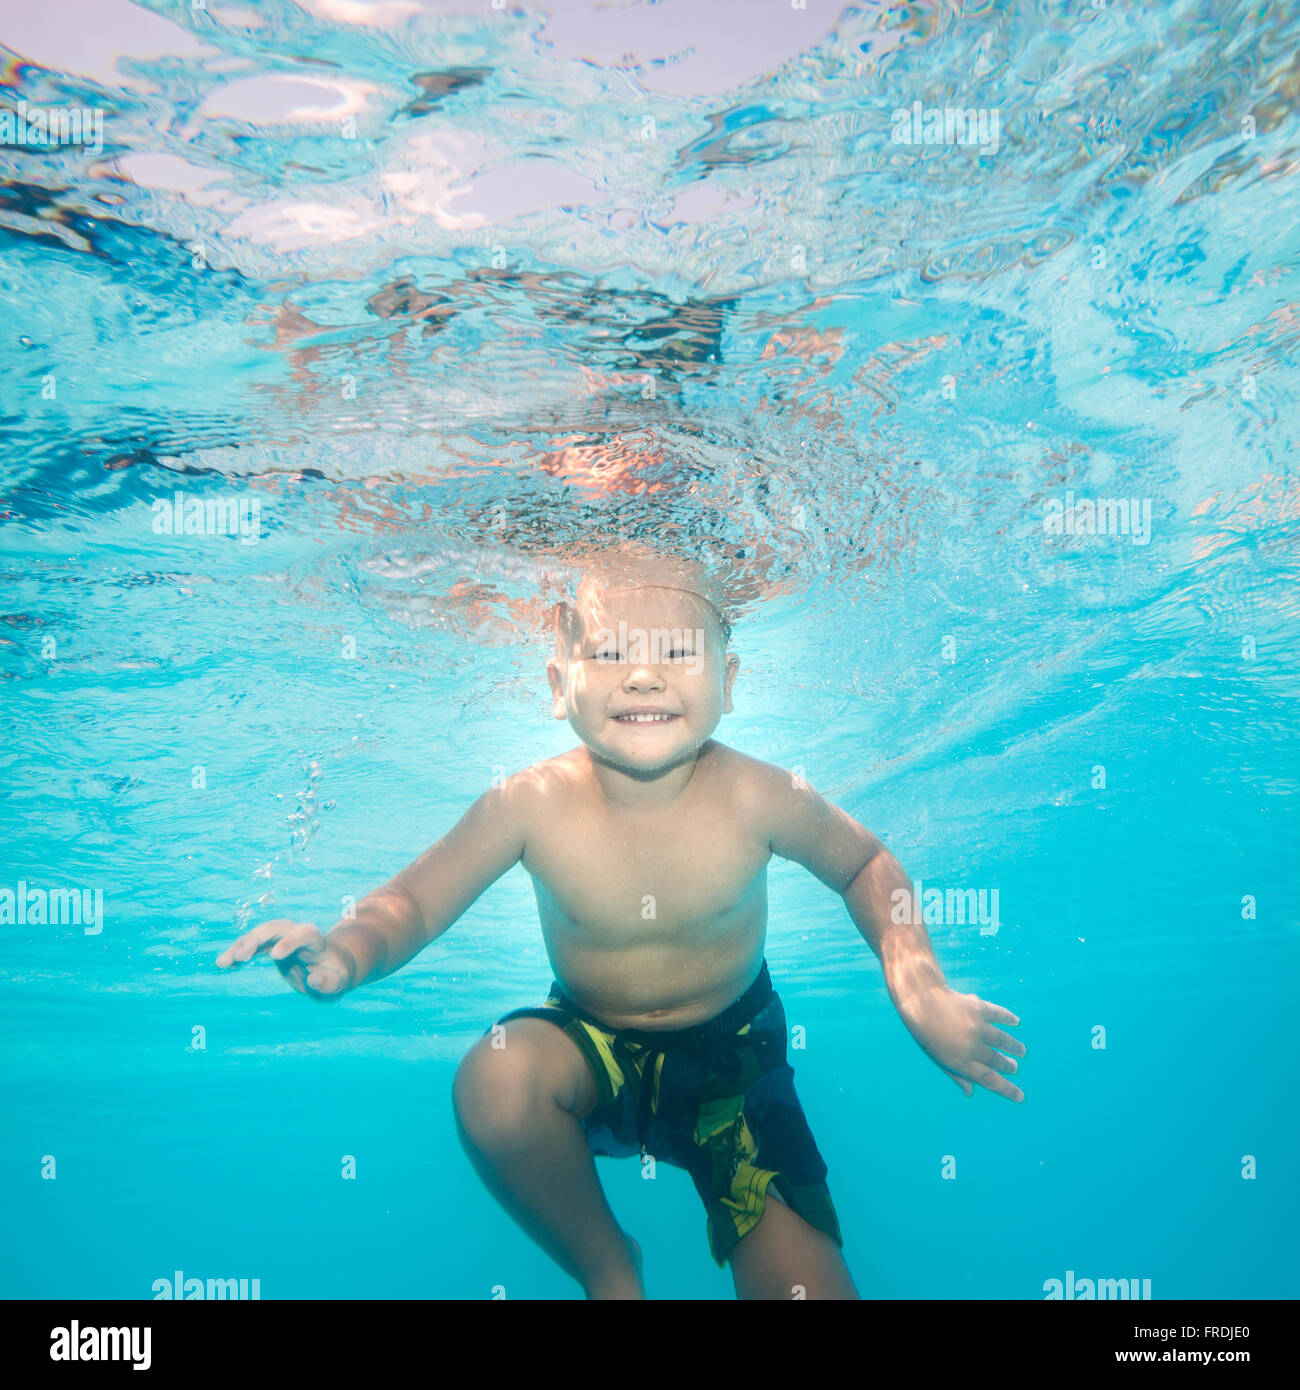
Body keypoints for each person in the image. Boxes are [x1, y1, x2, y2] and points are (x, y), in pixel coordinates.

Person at [216, 563, 1025, 1300]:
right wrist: (345, 954)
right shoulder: (528, 804)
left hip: (735, 1073)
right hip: (590, 1046)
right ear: (557, 684)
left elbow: (864, 864)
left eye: (676, 651)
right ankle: (609, 1269)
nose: (643, 674)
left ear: (729, 680)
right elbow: (416, 905)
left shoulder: (760, 795)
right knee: (491, 1083)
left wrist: (919, 986)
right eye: (607, 654)